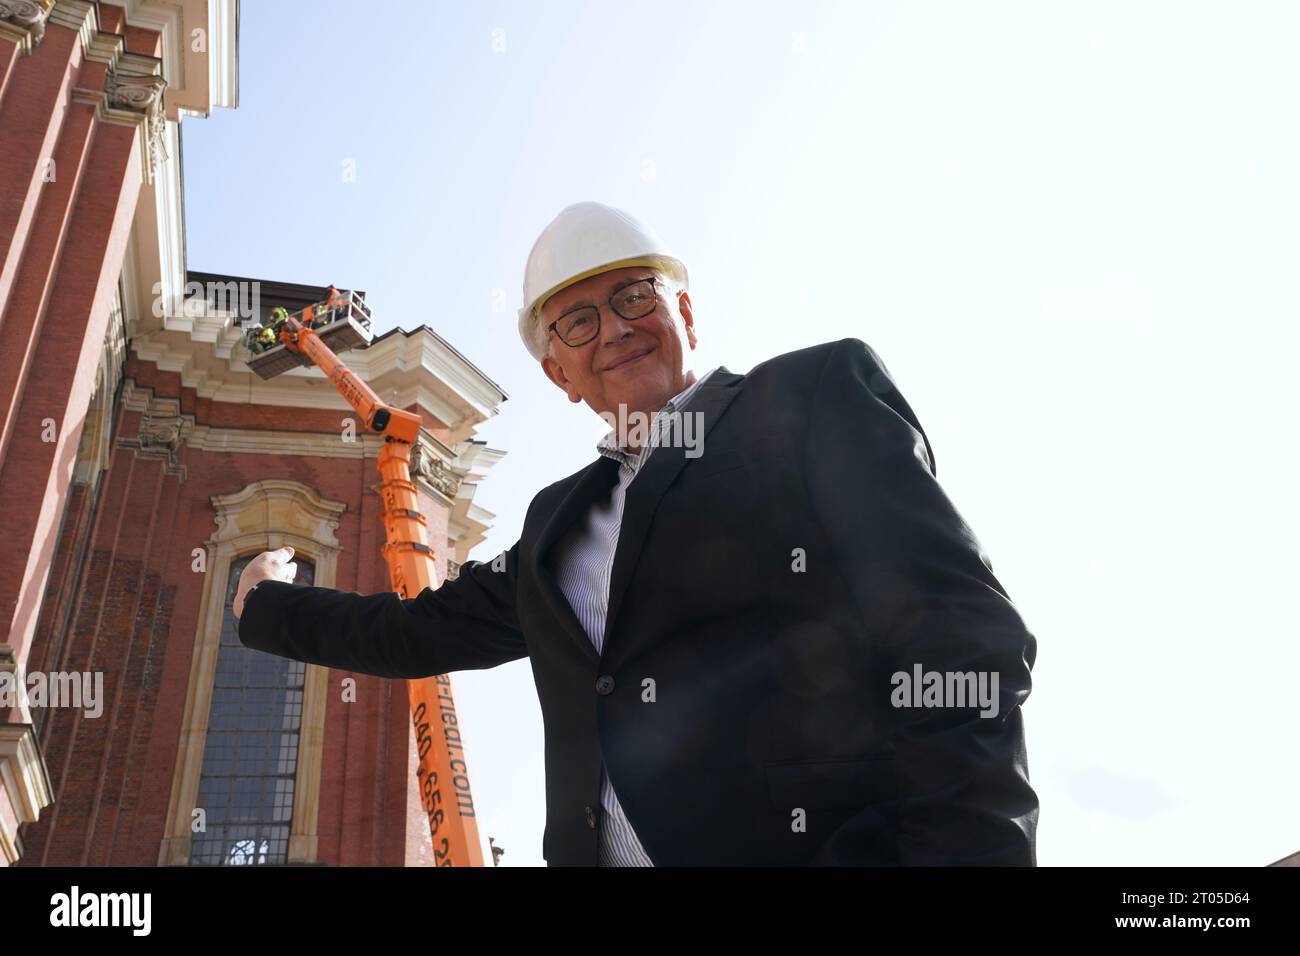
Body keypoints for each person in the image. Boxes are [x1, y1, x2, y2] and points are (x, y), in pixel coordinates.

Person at [234, 201, 1039, 867]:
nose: (614, 330)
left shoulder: (810, 398)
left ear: (683, 311)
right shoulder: (556, 522)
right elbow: (415, 631)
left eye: (634, 298)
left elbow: (961, 643)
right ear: (557, 371)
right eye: (577, 321)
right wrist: (263, 602)